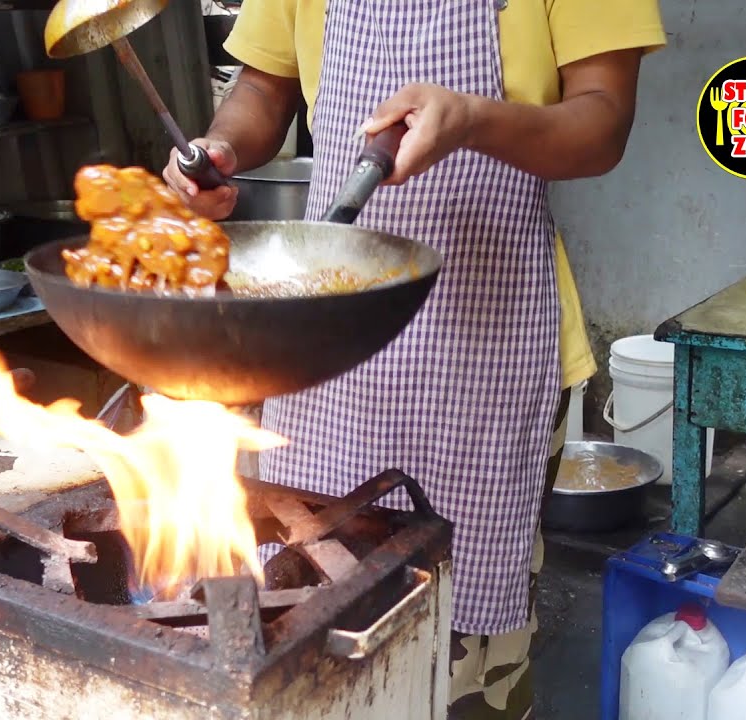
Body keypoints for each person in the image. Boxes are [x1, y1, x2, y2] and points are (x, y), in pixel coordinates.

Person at [164, 2, 665, 717]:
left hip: (487, 336)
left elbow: (602, 124)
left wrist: (472, 120)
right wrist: (220, 147)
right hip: (327, 336)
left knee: (458, 641)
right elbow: (263, 87)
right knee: (305, 613)